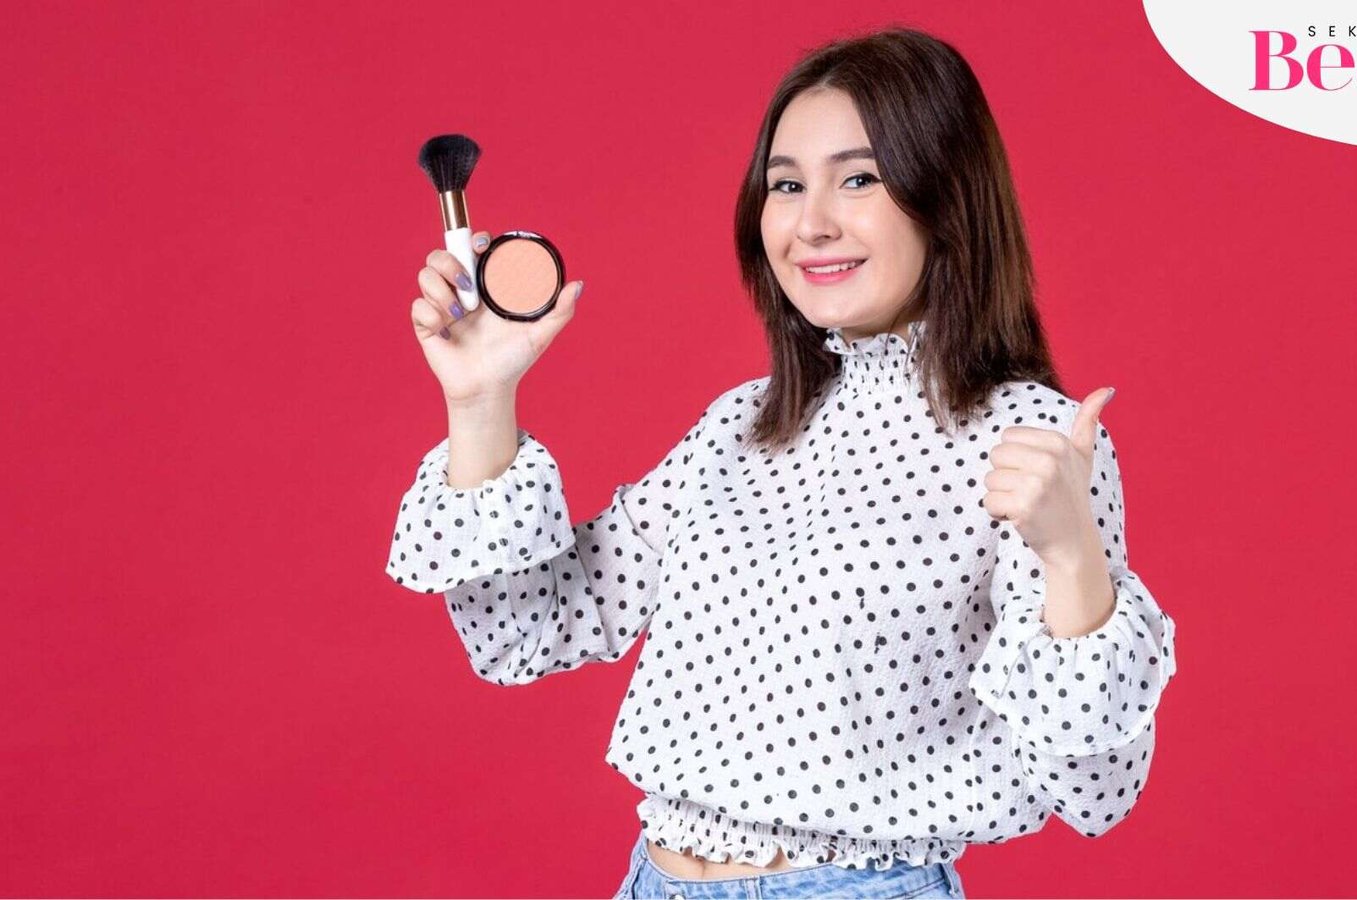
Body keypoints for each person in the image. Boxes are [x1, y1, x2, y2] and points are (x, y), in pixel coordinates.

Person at [388, 25, 1177, 900]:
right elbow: (524, 631)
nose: (811, 223)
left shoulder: (1033, 440)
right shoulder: (744, 425)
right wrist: (480, 399)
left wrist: (1073, 561)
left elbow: (1101, 789)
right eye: (786, 185)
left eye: (860, 178)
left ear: (946, 197)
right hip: (654, 880)